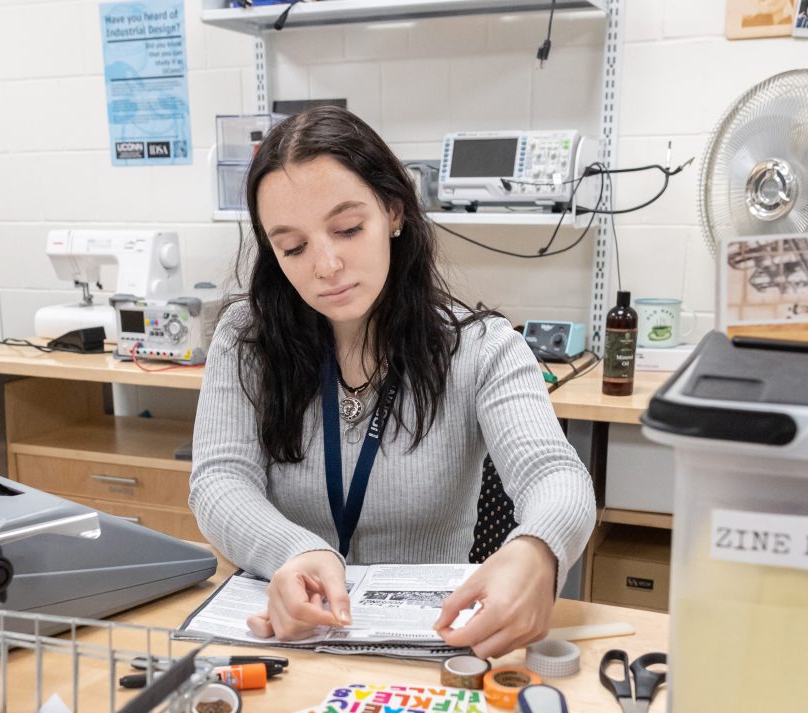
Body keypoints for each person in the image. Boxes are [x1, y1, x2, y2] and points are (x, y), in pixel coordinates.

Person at [189, 107, 596, 659]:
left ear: (394, 212)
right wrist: (293, 552)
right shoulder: (246, 338)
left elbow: (555, 473)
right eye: (293, 247)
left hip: (432, 645)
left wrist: (537, 551)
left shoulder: (481, 348)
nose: (326, 265)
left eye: (348, 229)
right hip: (291, 637)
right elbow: (218, 480)